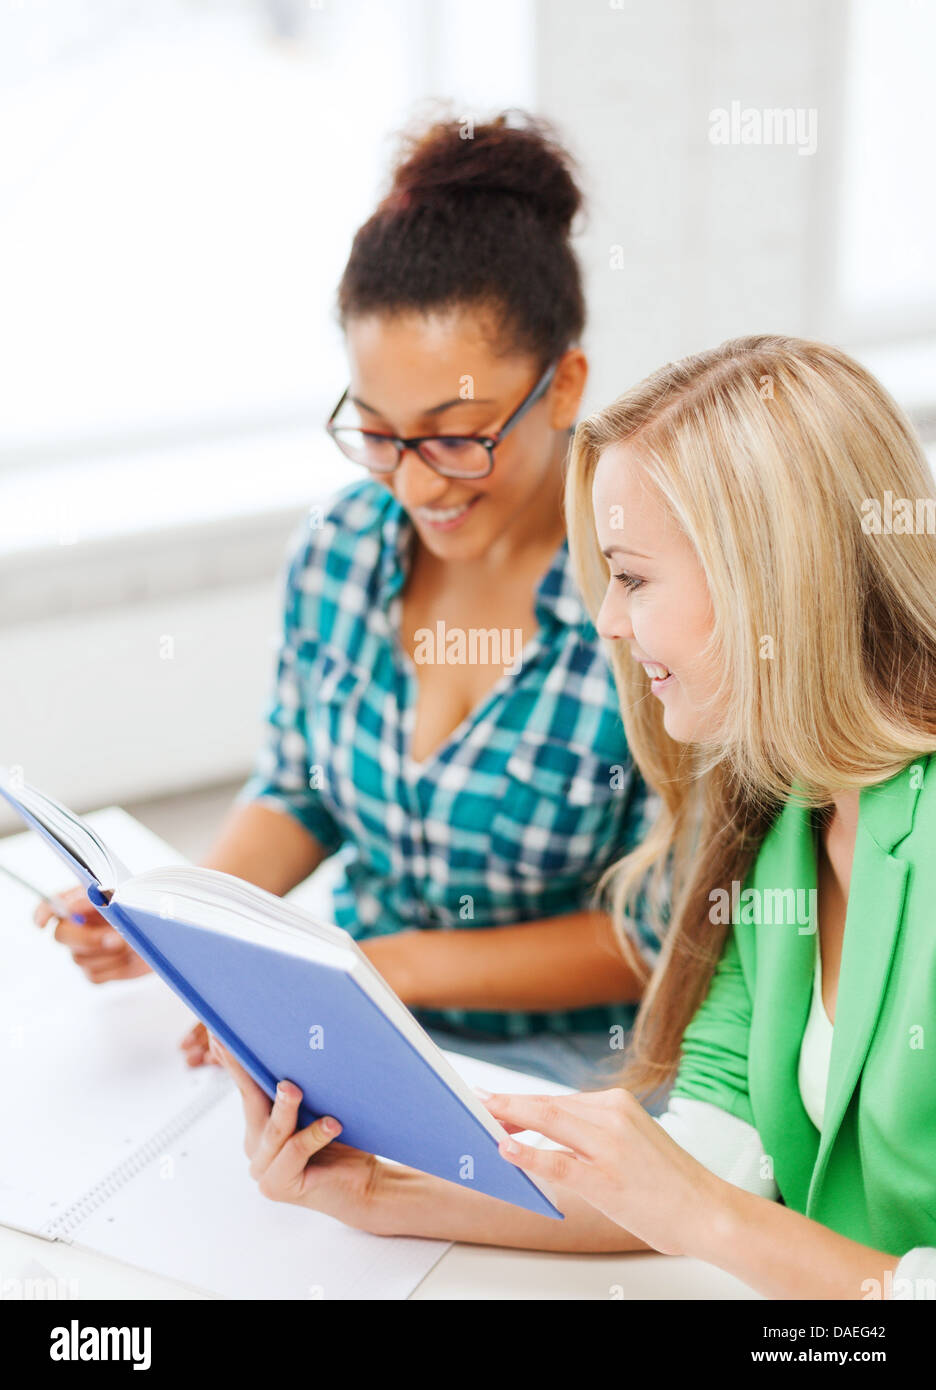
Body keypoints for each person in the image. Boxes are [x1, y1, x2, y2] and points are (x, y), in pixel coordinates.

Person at [212, 336, 936, 1298]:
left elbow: (699, 1203)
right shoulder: (783, 815)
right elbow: (703, 1162)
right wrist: (381, 1190)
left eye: (633, 577)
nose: (608, 622)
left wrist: (707, 1217)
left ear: (772, 579)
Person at [35, 110, 664, 1092]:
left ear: (563, 385)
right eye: (378, 433)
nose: (416, 487)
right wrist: (182, 917)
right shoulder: (337, 552)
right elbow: (301, 788)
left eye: (458, 436)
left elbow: (658, 931)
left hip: (579, 1074)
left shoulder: (653, 594)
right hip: (364, 1028)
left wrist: (383, 968)